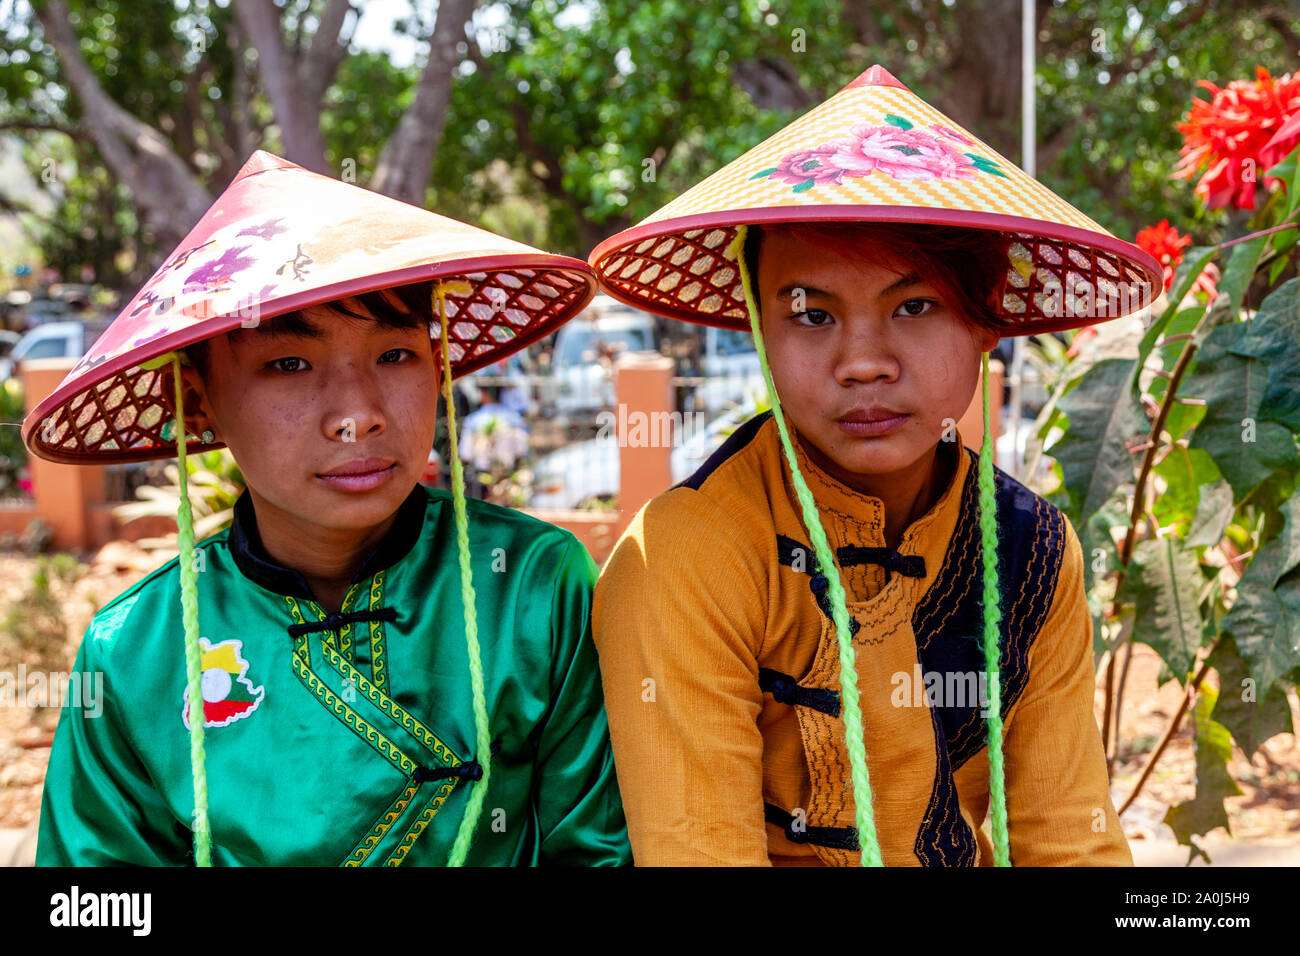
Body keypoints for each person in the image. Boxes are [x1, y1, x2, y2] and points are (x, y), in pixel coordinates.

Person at [586, 65, 1163, 866]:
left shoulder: (1032, 550)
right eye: (811, 315)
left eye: (914, 306)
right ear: (757, 325)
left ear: (986, 321)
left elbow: (1069, 840)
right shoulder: (689, 552)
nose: (863, 363)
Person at [26, 151, 630, 867]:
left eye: (396, 355)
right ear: (201, 396)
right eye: (289, 364)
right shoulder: (132, 653)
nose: (359, 416)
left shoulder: (533, 588)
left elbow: (600, 854)